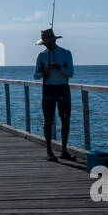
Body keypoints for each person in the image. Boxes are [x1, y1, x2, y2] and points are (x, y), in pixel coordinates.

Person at [34, 27, 75, 162]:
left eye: (48, 42)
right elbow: (35, 75)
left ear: (53, 41)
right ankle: (49, 151)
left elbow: (71, 73)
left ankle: (64, 151)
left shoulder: (65, 53)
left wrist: (59, 68)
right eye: (45, 43)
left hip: (62, 88)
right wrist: (44, 72)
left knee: (65, 119)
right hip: (48, 89)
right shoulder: (42, 56)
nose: (47, 44)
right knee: (48, 120)